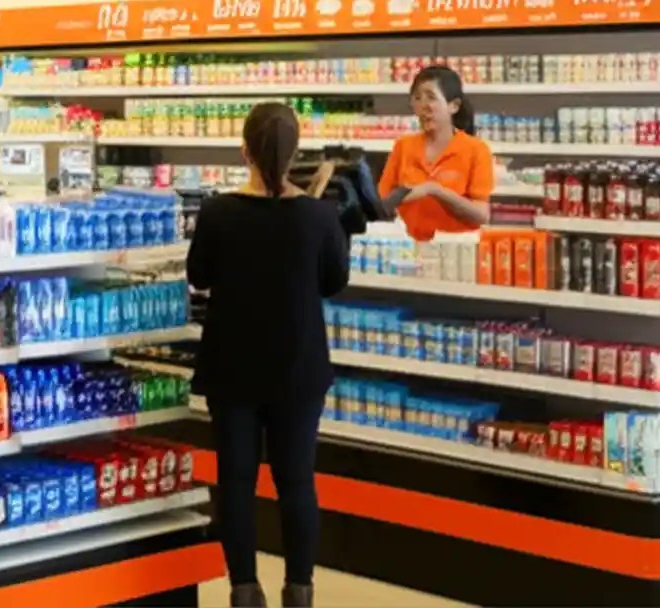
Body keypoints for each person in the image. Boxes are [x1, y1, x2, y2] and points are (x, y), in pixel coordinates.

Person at [186, 102, 350, 608]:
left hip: (232, 365)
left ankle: (244, 590)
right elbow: (333, 283)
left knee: (236, 482)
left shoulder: (217, 211)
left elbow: (200, 276)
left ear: (244, 152)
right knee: (296, 480)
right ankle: (299, 591)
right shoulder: (319, 215)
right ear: (295, 151)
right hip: (298, 367)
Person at [378, 65, 494, 240]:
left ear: (453, 106)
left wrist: (435, 191)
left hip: (456, 250)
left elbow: (481, 214)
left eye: (431, 97)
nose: (424, 105)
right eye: (417, 98)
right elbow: (382, 200)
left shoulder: (476, 150)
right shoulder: (403, 146)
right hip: (408, 250)